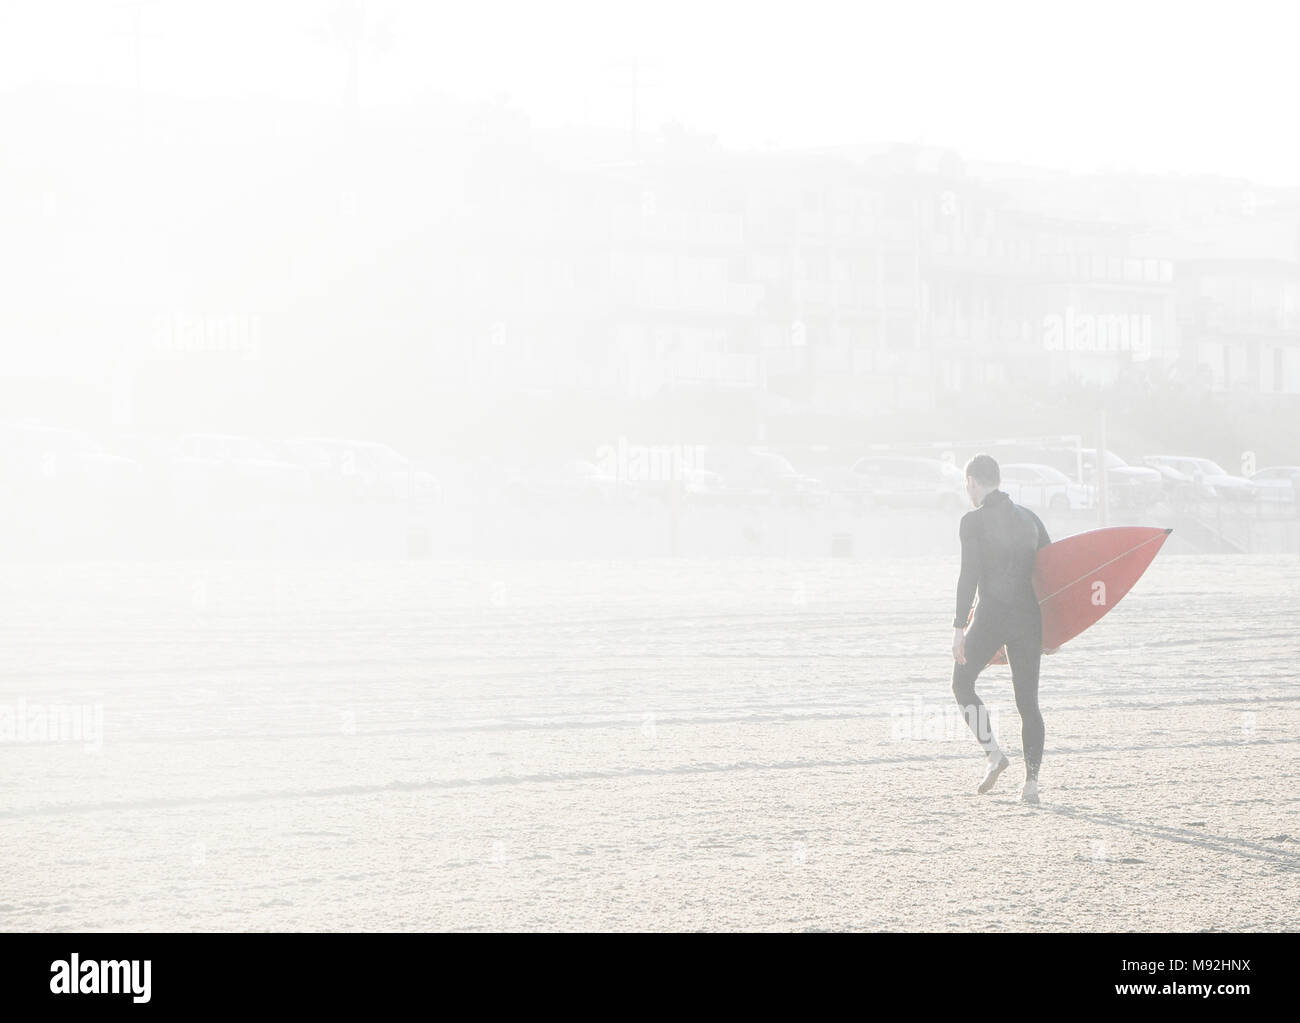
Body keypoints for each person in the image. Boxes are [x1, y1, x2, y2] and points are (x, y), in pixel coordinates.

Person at [951, 454, 1051, 804]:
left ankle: (994, 755)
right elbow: (1052, 577)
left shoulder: (972, 522)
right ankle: (1032, 783)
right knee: (1028, 702)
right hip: (1029, 620)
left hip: (991, 617)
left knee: (962, 684)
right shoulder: (1030, 519)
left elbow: (969, 577)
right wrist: (1055, 630)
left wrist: (959, 627)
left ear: (974, 483)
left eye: (968, 485)